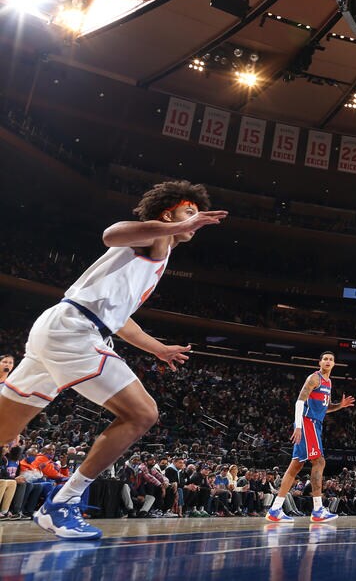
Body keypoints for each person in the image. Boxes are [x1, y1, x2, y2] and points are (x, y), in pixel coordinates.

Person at [0, 181, 223, 540]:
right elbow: (111, 233)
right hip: (74, 331)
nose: (195, 221)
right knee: (143, 414)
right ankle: (62, 502)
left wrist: (157, 348)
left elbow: (119, 320)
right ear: (168, 215)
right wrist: (176, 226)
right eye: (189, 212)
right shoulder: (156, 238)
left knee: (4, 431)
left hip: (59, 327)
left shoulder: (157, 252)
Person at [265, 352, 355, 523]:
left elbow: (325, 408)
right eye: (325, 359)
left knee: (296, 466)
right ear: (319, 362)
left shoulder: (328, 382)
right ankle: (318, 510)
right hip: (307, 422)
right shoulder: (314, 378)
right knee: (319, 462)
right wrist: (298, 426)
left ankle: (275, 509)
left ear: (334, 364)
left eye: (331, 359)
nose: (328, 361)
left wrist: (340, 406)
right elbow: (299, 401)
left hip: (315, 424)